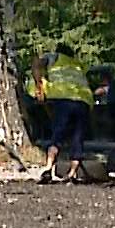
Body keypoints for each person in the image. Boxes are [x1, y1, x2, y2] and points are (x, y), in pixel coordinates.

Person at [32, 42, 92, 183]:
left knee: (57, 135)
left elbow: (36, 63)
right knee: (77, 138)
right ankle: (72, 173)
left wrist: (38, 86)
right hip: (84, 101)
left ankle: (48, 167)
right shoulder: (77, 65)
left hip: (63, 98)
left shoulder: (54, 57)